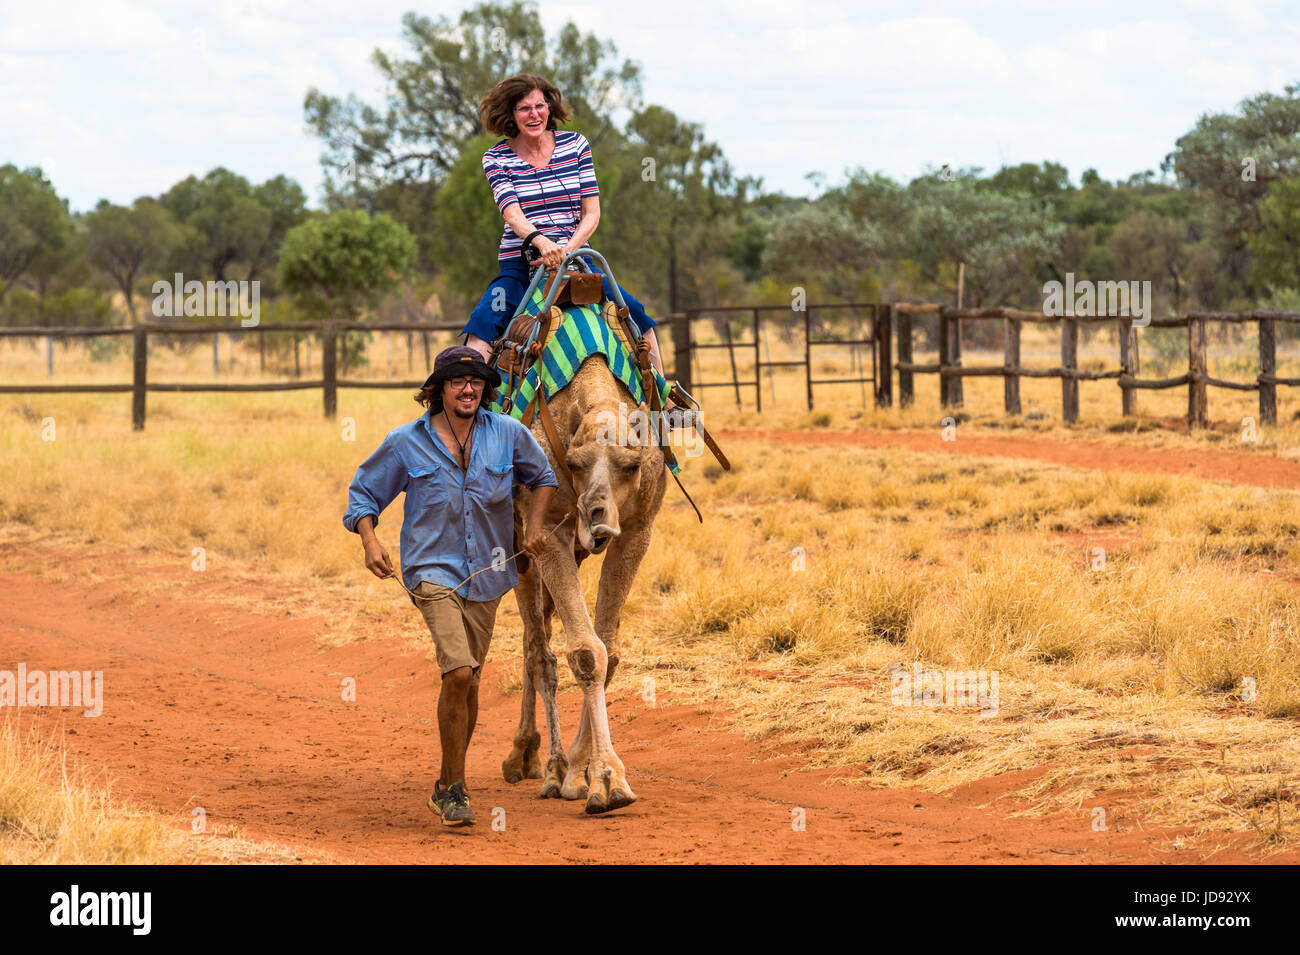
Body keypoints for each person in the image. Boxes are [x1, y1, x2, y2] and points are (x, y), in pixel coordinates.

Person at [341, 345, 558, 827]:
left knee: (471, 681)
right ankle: (456, 789)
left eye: (477, 382)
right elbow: (363, 494)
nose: (468, 389)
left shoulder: (508, 434)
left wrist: (535, 527)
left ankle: (445, 785)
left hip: (489, 572)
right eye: (458, 383)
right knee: (458, 672)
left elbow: (543, 477)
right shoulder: (405, 442)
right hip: (431, 570)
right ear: (438, 390)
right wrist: (370, 541)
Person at [461, 73, 668, 379]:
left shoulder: (576, 145)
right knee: (482, 323)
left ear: (550, 108)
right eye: (524, 109)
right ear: (511, 115)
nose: (534, 114)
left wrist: (566, 252)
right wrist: (543, 244)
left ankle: (661, 400)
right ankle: (474, 409)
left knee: (636, 315)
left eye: (540, 106)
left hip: (578, 261)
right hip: (522, 264)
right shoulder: (496, 158)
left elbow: (592, 213)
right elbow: (513, 214)